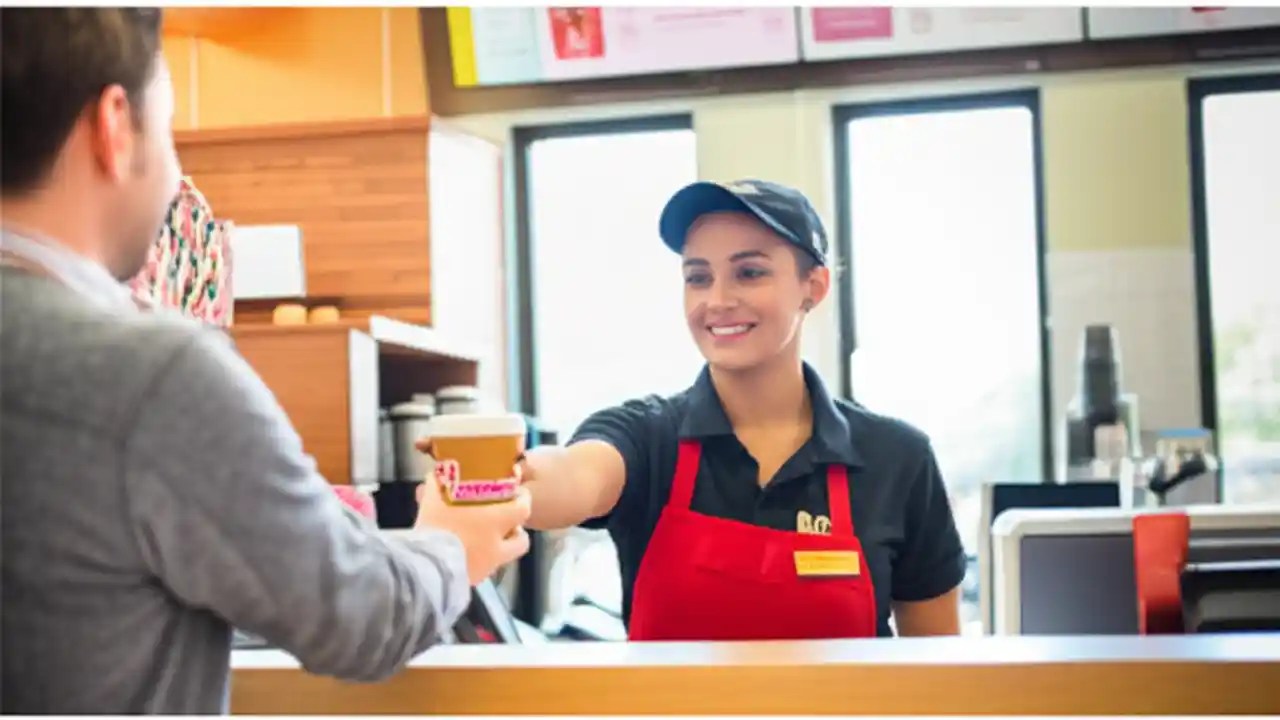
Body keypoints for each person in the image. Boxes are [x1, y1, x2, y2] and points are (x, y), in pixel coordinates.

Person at [0, 9, 530, 714]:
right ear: (115, 126)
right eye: (171, 129)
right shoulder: (148, 375)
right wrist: (451, 544)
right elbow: (362, 617)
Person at [520, 179, 966, 641]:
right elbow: (572, 477)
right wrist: (499, 477)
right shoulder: (646, 437)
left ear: (812, 286)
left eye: (749, 272)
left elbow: (936, 672)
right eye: (698, 277)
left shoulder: (897, 458)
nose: (717, 301)